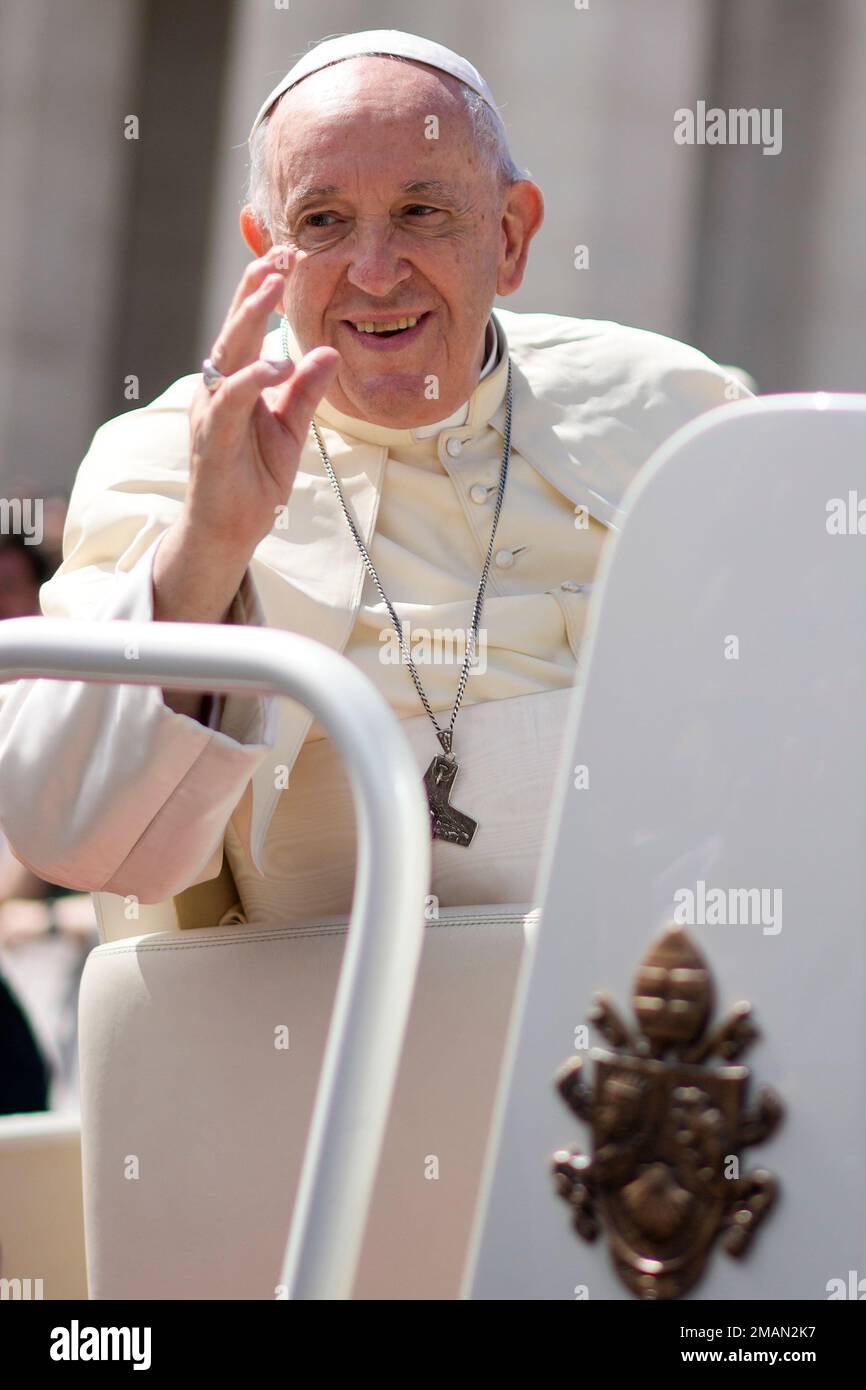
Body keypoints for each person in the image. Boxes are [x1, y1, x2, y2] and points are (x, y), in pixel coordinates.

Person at [0, 31, 748, 1295]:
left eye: (419, 211)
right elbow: (70, 832)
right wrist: (210, 542)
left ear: (509, 235)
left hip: (623, 1102)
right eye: (323, 220)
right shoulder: (158, 456)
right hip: (280, 1118)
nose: (374, 269)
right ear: (263, 253)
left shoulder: (671, 410)